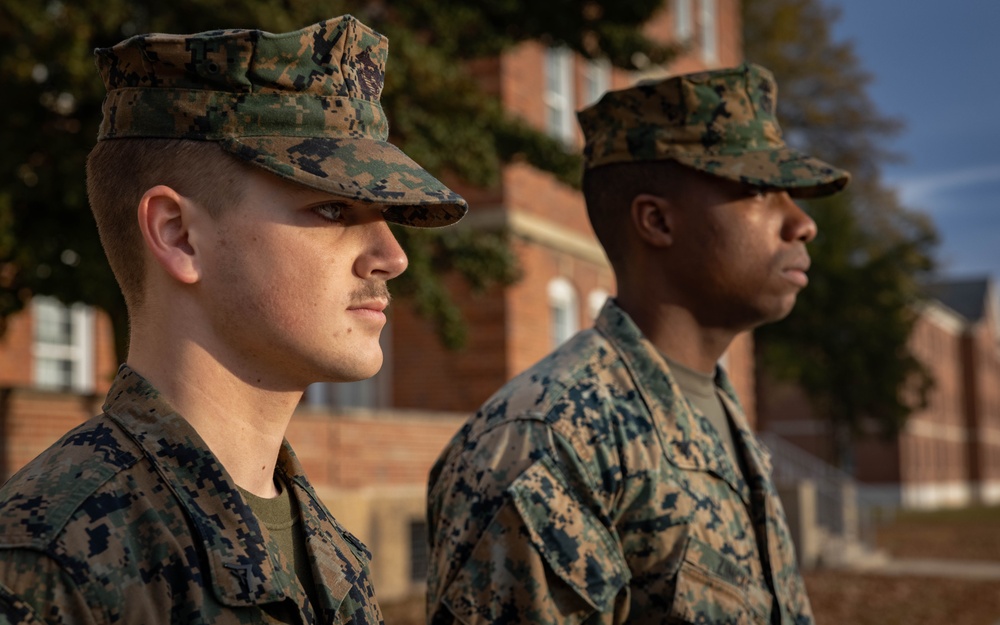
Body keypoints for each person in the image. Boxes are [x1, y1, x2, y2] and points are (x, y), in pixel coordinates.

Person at [0, 15, 466, 625]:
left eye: (383, 215)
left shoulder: (327, 550)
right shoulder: (48, 567)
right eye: (331, 208)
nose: (392, 257)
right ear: (179, 235)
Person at [426, 63, 849, 625]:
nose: (801, 223)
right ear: (656, 221)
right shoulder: (549, 446)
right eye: (759, 190)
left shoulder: (716, 408)